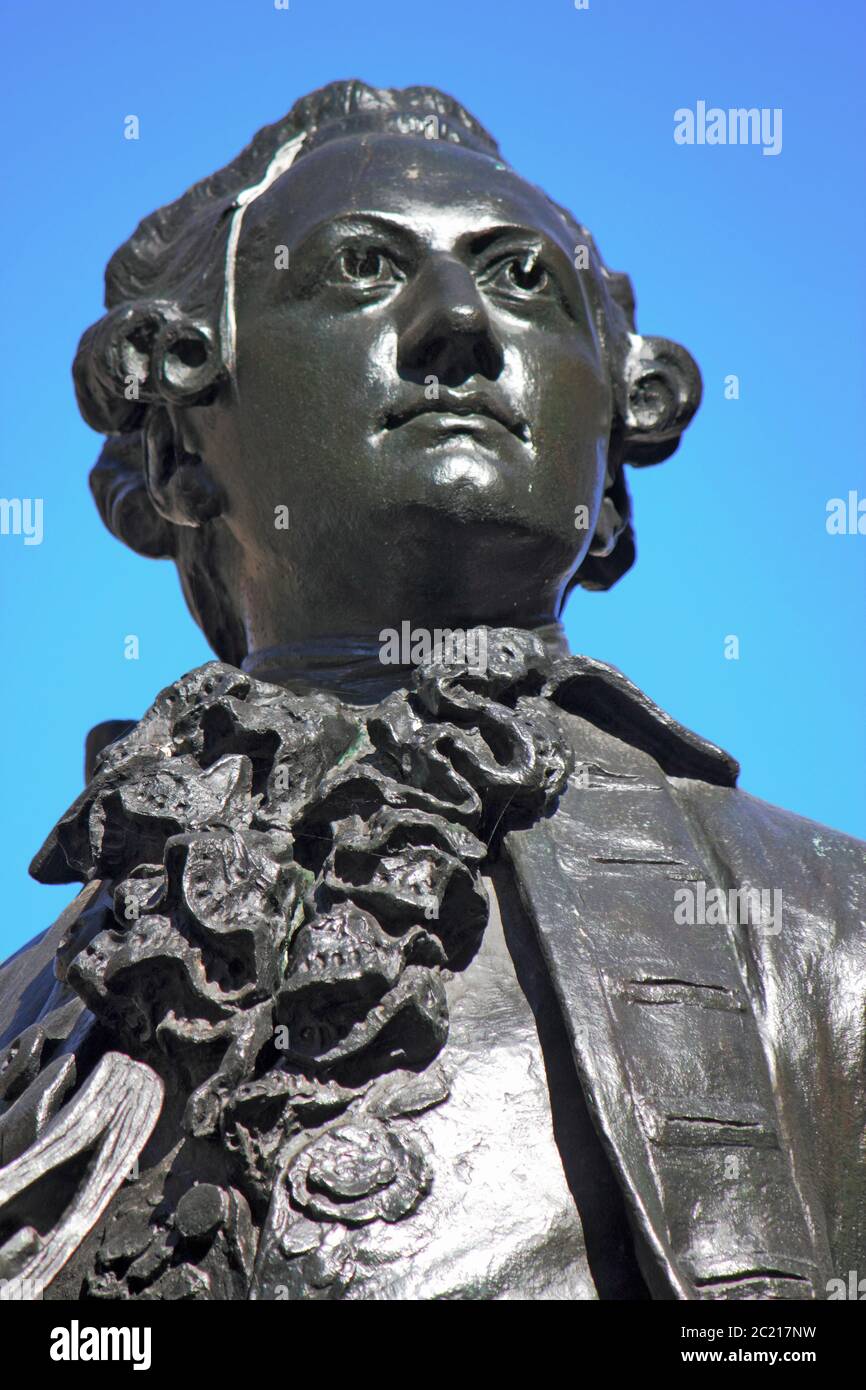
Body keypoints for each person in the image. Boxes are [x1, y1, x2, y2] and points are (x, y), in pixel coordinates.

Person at [0, 81, 863, 1302]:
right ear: (182, 440)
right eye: (360, 268)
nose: (459, 323)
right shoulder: (29, 1011)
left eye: (523, 282)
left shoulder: (828, 930)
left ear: (614, 452)